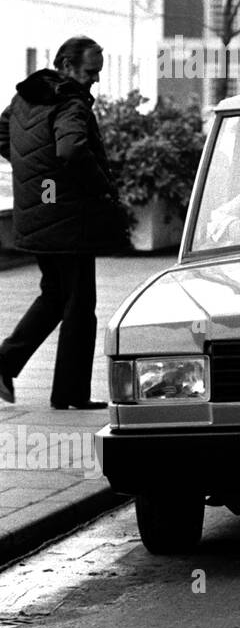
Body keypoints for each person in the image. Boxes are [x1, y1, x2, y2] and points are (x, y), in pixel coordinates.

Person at [0, 36, 122, 408]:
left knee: (56, 295)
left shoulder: (25, 98)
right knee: (80, 306)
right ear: (66, 66)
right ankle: (70, 394)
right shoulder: (70, 102)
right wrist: (100, 186)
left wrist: (37, 175)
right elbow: (71, 149)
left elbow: (3, 135)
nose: (95, 80)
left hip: (40, 211)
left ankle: (6, 362)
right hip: (69, 216)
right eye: (90, 72)